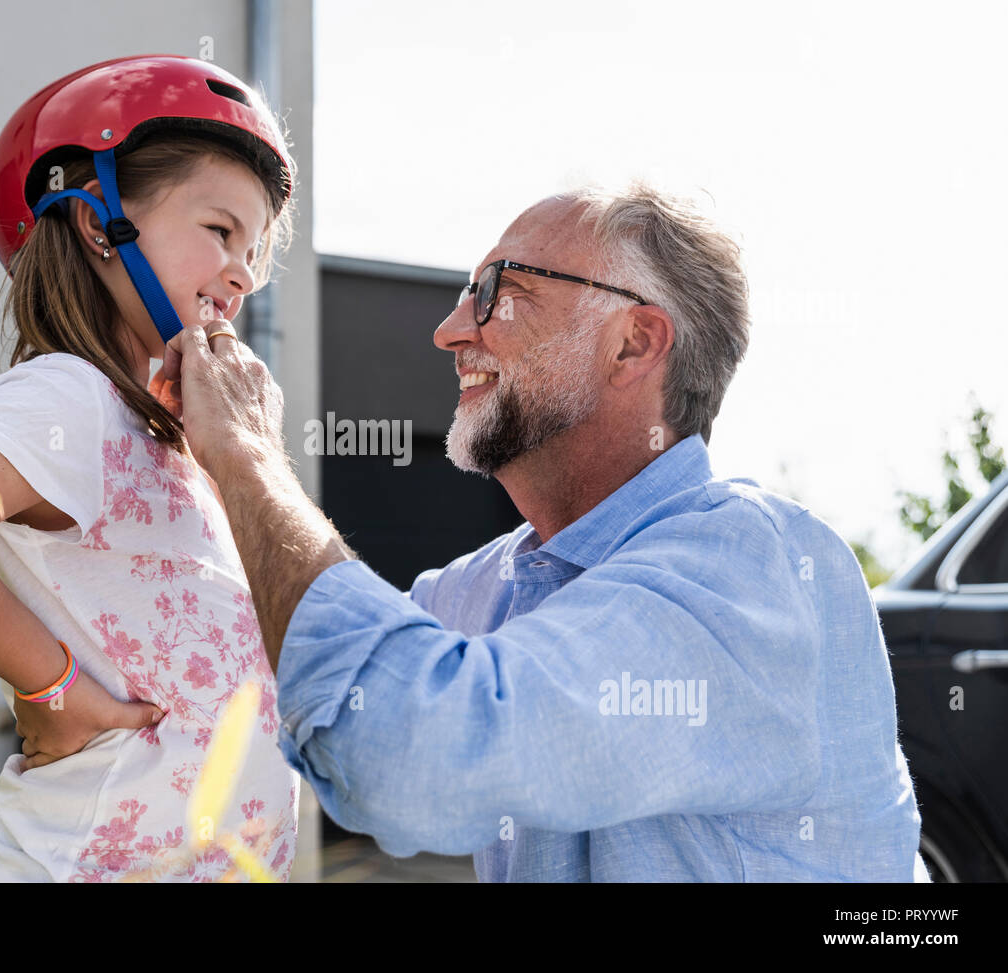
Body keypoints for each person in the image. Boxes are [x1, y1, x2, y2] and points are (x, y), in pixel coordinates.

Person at [121, 183, 928, 882]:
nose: (448, 330)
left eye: (498, 290)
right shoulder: (482, 589)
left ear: (633, 341)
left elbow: (414, 754)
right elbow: (295, 680)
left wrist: (251, 457)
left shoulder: (753, 568)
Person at [0, 55, 300, 882]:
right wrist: (52, 685)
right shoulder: (74, 395)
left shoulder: (167, 437)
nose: (244, 271)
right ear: (95, 221)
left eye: (254, 250)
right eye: (220, 231)